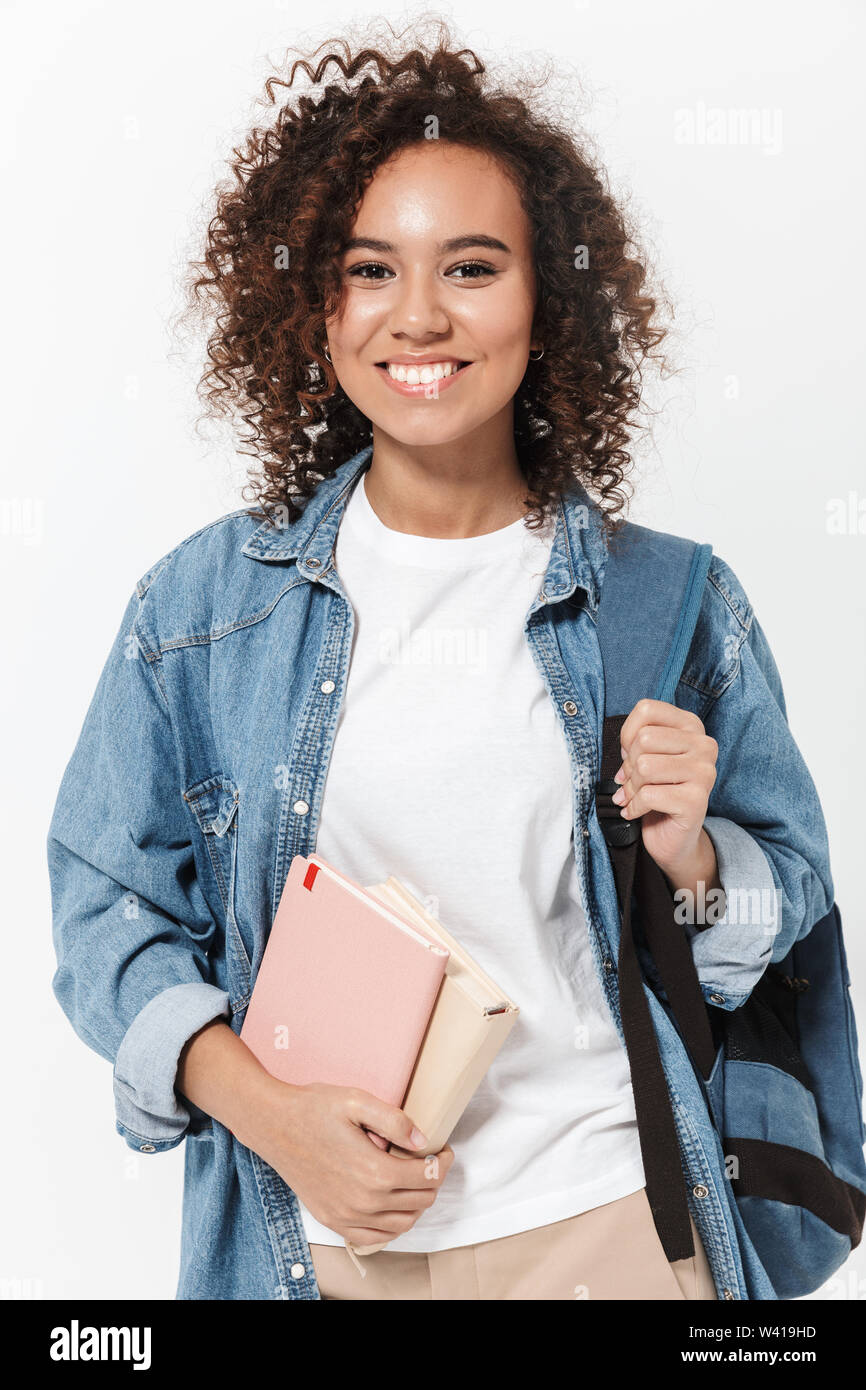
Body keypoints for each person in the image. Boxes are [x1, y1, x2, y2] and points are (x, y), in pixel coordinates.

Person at [47, 26, 833, 1301]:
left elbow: (775, 920)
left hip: (612, 1228)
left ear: (545, 299)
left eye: (471, 266)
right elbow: (105, 917)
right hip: (317, 1244)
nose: (418, 316)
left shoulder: (669, 602)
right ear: (317, 306)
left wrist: (694, 858)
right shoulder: (201, 610)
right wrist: (269, 1111)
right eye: (370, 270)